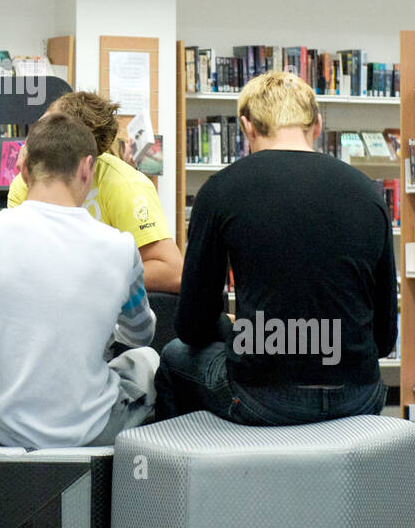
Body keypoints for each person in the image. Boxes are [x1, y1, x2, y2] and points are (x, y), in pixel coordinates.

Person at [156, 71, 395, 425]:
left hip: (263, 396)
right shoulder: (367, 192)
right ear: (316, 124)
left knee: (176, 354)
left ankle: (190, 471)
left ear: (247, 127)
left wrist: (235, 328)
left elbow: (193, 326)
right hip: (359, 393)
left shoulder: (221, 190)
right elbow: (385, 336)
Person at [0, 112, 159, 448]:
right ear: (86, 168)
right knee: (148, 361)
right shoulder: (121, 248)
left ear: (22, 166)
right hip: (89, 431)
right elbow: (140, 334)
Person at [7, 90, 183, 293]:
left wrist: (90, 278)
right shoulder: (23, 182)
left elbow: (174, 272)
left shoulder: (126, 185)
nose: (34, 135)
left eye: (47, 127)